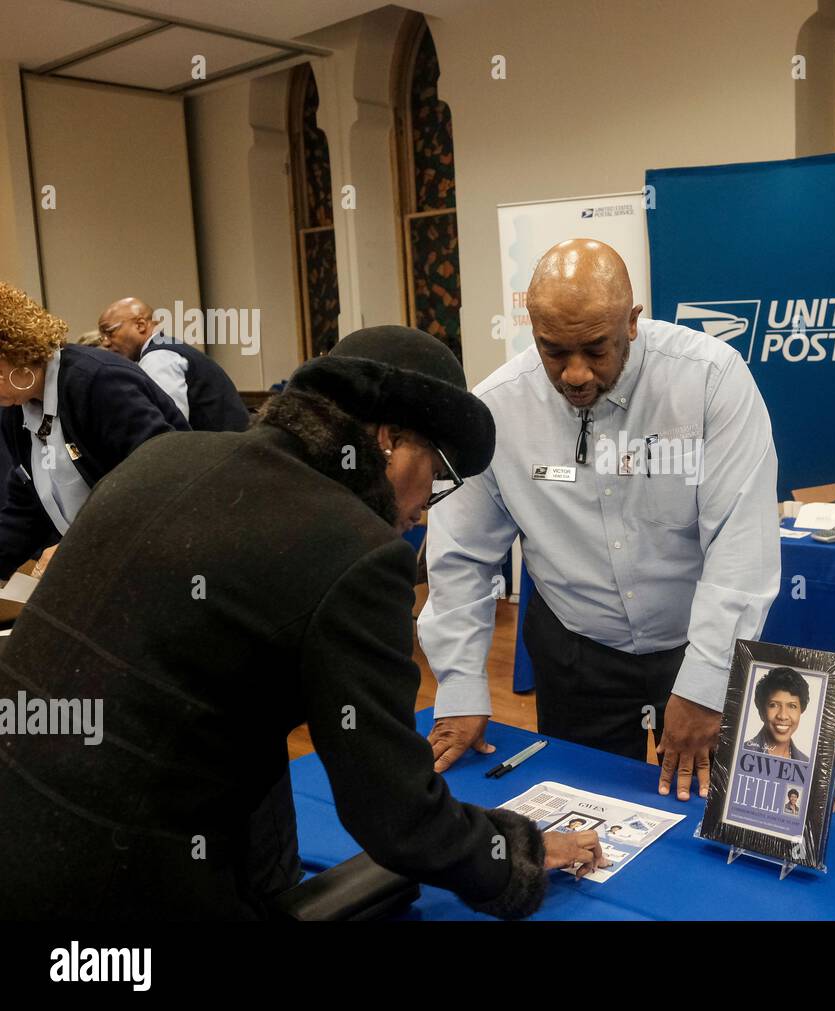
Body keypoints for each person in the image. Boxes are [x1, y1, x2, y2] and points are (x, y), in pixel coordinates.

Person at [0, 325, 605, 920]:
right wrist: (515, 853)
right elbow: (397, 817)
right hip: (116, 888)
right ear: (390, 440)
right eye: (439, 473)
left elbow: (209, 697)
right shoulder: (354, 551)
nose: (426, 504)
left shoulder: (164, 456)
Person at [420, 239, 780, 803]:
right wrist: (461, 685)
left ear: (632, 323)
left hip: (695, 641)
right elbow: (461, 554)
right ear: (532, 329)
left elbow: (742, 540)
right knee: (586, 815)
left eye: (595, 347)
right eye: (553, 351)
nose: (576, 374)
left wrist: (708, 682)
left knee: (709, 813)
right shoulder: (494, 409)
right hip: (576, 654)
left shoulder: (709, 380)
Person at [0, 283, 188, 584]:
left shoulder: (100, 382)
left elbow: (163, 479)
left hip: (167, 562)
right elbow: (25, 508)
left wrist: (83, 545)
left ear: (14, 349)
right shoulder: (14, 410)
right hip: (102, 571)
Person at [98, 297, 250, 432]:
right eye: (102, 337)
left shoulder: (158, 357)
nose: (105, 342)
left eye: (109, 332)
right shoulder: (167, 349)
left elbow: (168, 429)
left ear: (140, 325)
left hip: (222, 455)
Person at [743, 666, 810, 764]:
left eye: (792, 706)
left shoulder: (806, 763)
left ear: (801, 711)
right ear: (761, 711)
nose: (782, 716)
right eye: (773, 705)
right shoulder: (740, 753)